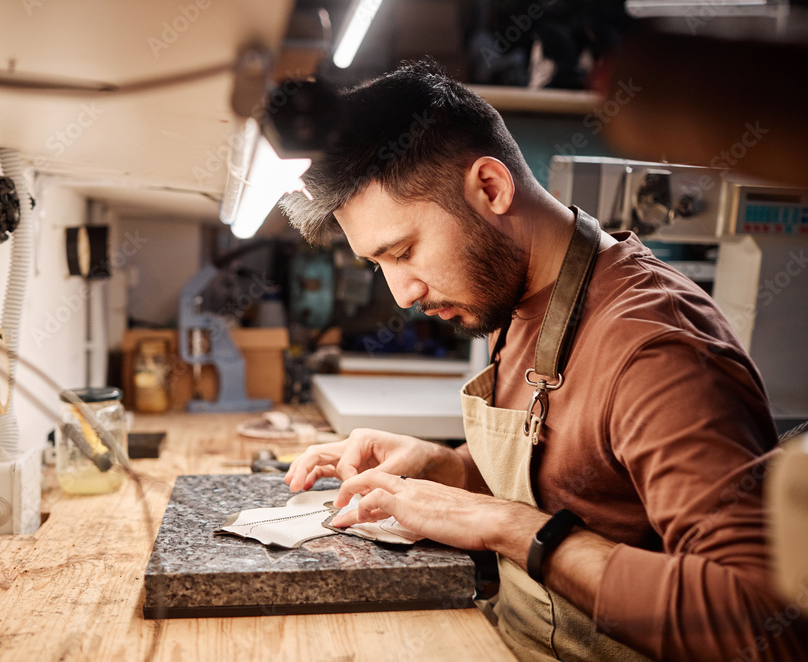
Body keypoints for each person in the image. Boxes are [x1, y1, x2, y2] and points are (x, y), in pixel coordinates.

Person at [279, 61, 808, 662]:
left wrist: (503, 525)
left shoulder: (657, 348)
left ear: (491, 188)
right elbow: (581, 490)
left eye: (404, 251)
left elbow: (763, 622)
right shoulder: (512, 298)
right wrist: (447, 470)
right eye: (381, 265)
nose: (404, 295)